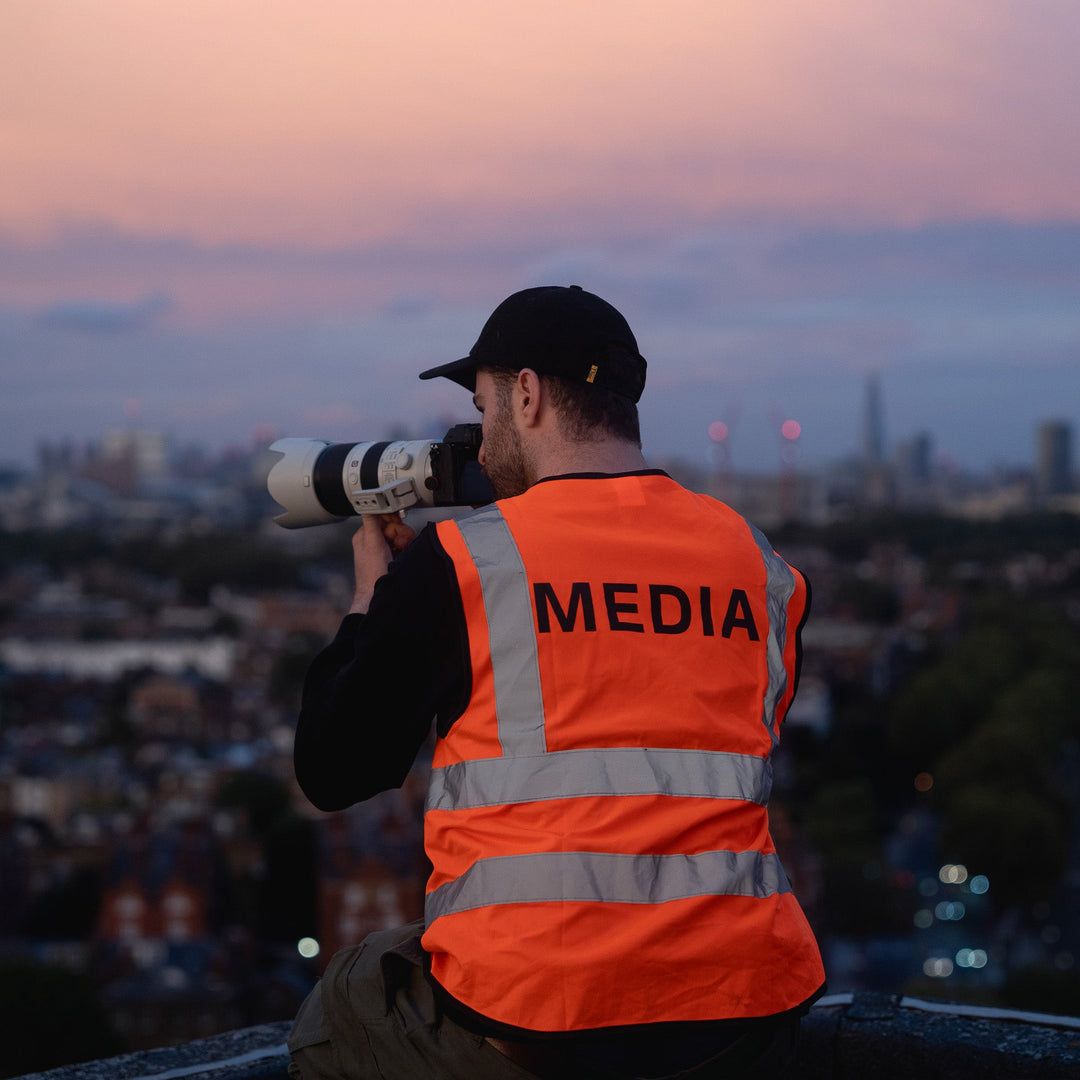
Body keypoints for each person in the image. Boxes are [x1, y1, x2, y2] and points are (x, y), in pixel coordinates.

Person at [287, 286, 825, 1080]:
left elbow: (332, 771)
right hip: (742, 1006)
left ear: (528, 395)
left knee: (339, 1010)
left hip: (539, 1014)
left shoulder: (469, 562)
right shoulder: (760, 566)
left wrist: (372, 599)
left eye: (484, 405)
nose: (479, 436)